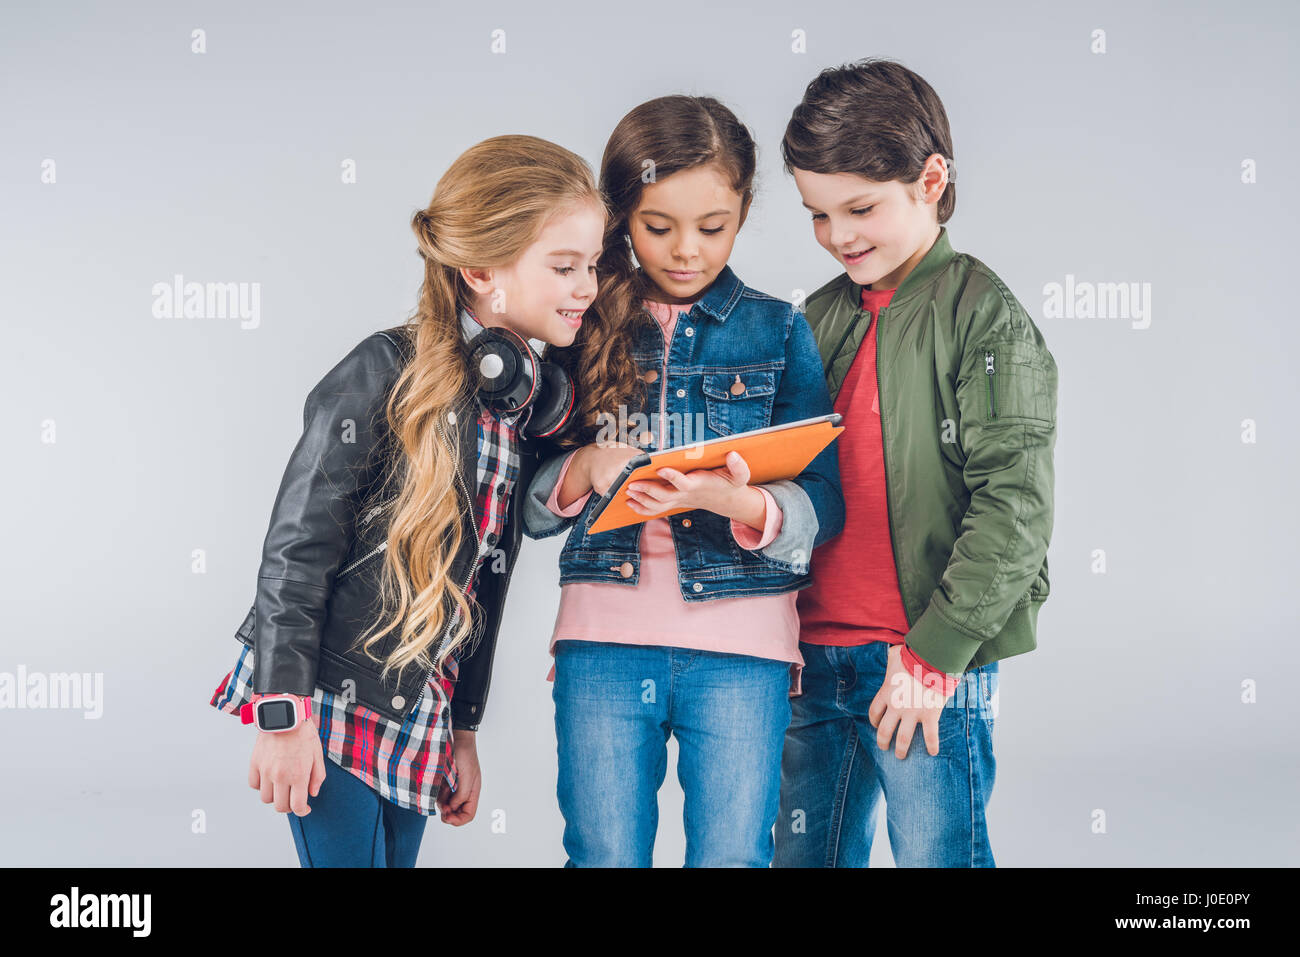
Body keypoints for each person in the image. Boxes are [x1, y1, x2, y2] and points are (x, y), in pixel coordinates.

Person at [208, 135, 604, 867]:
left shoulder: (510, 411)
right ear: (481, 270)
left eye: (592, 266)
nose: (588, 286)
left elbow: (484, 584)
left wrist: (464, 731)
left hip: (418, 704)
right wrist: (281, 714)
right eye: (564, 266)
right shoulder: (382, 372)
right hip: (325, 696)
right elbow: (297, 551)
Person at [522, 95, 845, 867]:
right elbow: (527, 506)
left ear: (743, 213)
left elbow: (827, 499)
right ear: (619, 219)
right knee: (602, 855)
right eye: (658, 228)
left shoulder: (778, 328)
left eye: (713, 227)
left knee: (733, 857)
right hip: (604, 640)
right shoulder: (582, 317)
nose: (686, 252)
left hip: (743, 648)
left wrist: (742, 503)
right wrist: (584, 467)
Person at [774, 58, 1059, 868]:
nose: (838, 236)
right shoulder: (817, 317)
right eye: (818, 215)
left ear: (931, 179)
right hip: (811, 659)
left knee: (939, 852)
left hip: (925, 655)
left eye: (859, 208)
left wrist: (934, 654)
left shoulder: (983, 316)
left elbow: (1015, 508)